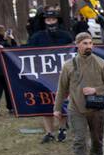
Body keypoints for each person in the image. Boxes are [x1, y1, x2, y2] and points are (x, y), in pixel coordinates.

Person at [55, 32, 104, 155]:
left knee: (97, 138)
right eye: (85, 43)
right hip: (76, 109)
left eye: (90, 43)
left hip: (96, 109)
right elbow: (62, 89)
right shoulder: (69, 65)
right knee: (79, 139)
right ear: (77, 45)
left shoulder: (101, 63)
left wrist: (96, 90)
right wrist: (57, 108)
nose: (88, 46)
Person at [27, 8, 72, 143]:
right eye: (48, 20)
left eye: (53, 20)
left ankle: (62, 128)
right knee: (45, 103)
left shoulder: (66, 36)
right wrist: (4, 47)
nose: (51, 22)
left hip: (62, 75)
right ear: (44, 21)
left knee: (62, 102)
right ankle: (49, 132)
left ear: (57, 21)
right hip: (43, 77)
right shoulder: (37, 37)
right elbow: (25, 51)